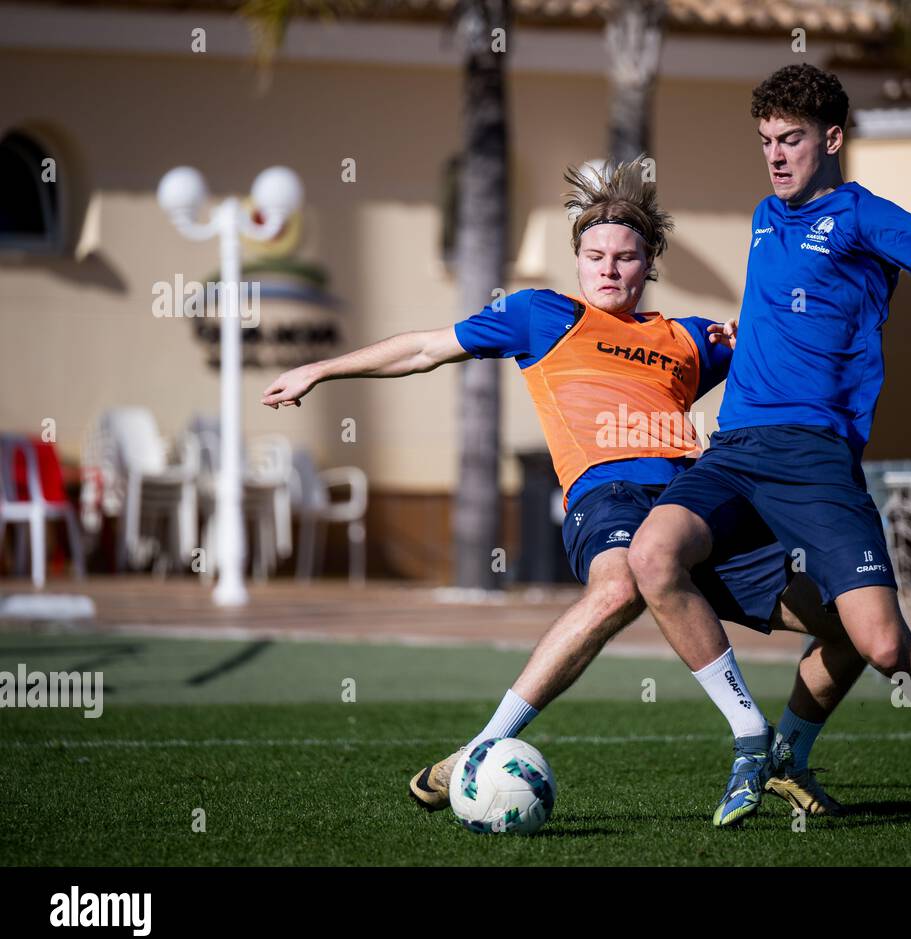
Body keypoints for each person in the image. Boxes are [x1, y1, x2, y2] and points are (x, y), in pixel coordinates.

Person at [262, 158, 867, 825]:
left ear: (649, 264)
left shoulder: (690, 337)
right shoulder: (540, 315)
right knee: (618, 586)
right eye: (595, 254)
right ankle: (485, 749)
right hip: (610, 502)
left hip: (698, 509)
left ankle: (786, 754)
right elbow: (425, 349)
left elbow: (782, 354)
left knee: (852, 628)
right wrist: (322, 368)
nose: (609, 268)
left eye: (626, 257)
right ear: (577, 260)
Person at [626, 64, 911, 829]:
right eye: (765, 140)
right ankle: (753, 740)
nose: (775, 155)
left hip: (816, 458)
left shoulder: (862, 215)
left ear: (831, 138)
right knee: (653, 554)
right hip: (734, 450)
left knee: (885, 646)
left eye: (790, 138)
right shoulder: (765, 213)